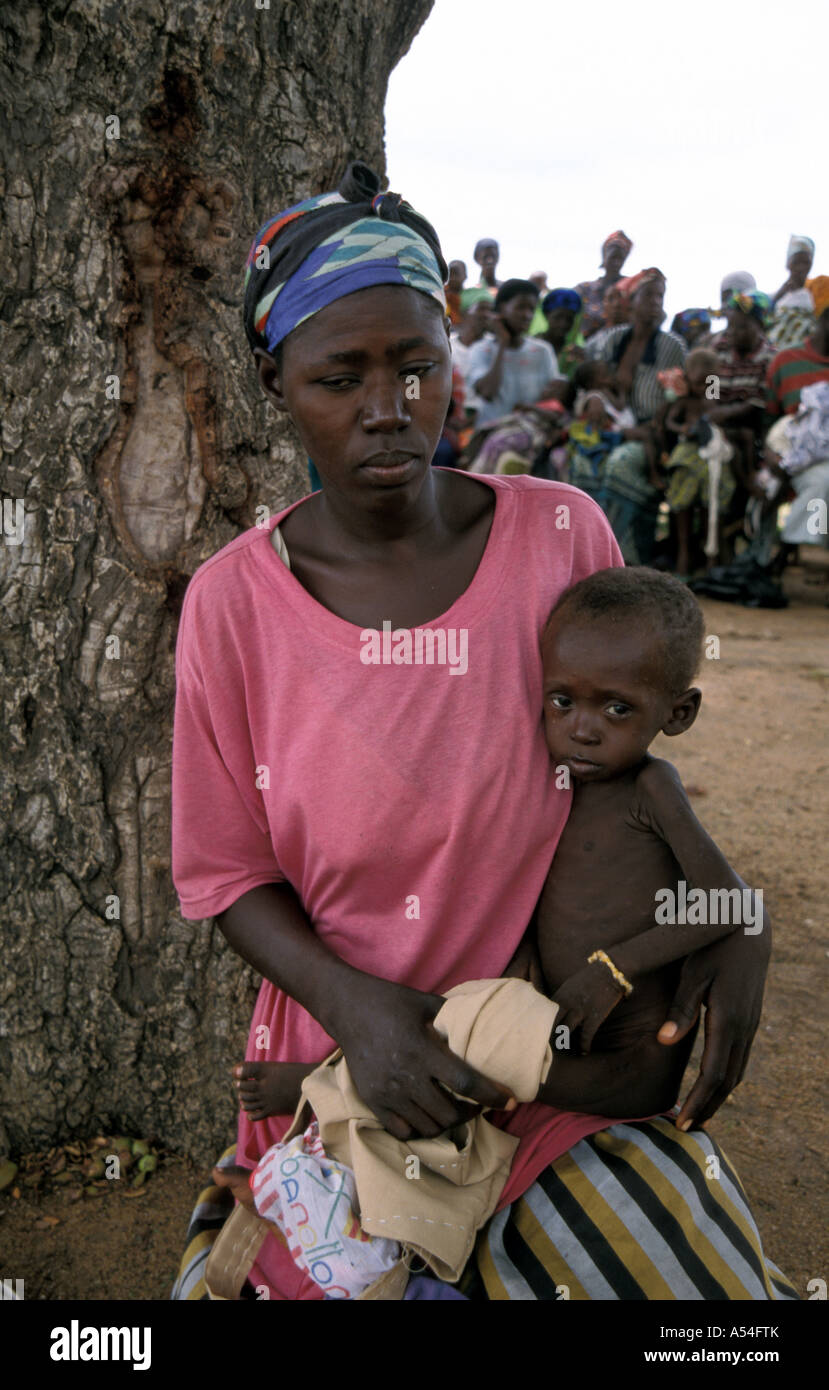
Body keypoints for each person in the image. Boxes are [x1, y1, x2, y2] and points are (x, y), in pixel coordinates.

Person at [170, 162, 776, 1302]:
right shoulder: (234, 606)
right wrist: (358, 1010)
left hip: (547, 1055)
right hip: (358, 1064)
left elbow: (624, 777)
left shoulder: (563, 541)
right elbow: (225, 873)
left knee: (699, 1299)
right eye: (339, 376)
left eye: (416, 364)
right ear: (273, 381)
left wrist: (728, 919)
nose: (388, 406)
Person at [225, 568, 796, 1302]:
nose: (582, 727)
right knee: (456, 1028)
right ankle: (345, 1110)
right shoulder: (559, 781)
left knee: (450, 1051)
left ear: (677, 713)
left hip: (624, 1067)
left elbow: (726, 902)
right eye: (562, 702)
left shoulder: (651, 788)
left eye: (617, 708)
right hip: (559, 1031)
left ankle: (319, 1091)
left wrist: (614, 970)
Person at [586, 269, 686, 563]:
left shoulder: (672, 346)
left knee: (620, 464)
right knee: (582, 463)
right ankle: (585, 546)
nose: (655, 302)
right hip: (611, 423)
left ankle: (621, 555)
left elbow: (687, 391)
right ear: (631, 301)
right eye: (649, 295)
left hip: (650, 433)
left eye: (660, 296)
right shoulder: (613, 340)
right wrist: (594, 398)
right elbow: (592, 380)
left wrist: (662, 422)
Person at [663, 349, 737, 576]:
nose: (703, 387)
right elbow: (670, 422)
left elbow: (715, 414)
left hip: (712, 450)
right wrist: (683, 428)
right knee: (683, 478)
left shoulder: (714, 398)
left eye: (708, 382)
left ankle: (710, 553)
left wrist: (709, 399)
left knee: (714, 489)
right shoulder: (684, 401)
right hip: (688, 450)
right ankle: (684, 553)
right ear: (687, 379)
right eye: (698, 383)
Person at [463, 278, 562, 425]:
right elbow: (487, 392)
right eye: (520, 307)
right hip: (491, 432)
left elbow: (552, 400)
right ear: (501, 308)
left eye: (531, 309)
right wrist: (503, 343)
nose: (527, 315)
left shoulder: (542, 351)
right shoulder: (481, 350)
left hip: (530, 431)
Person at [575, 230, 633, 339]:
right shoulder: (584, 289)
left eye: (620, 258)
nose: (616, 262)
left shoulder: (631, 288)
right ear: (604, 255)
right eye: (613, 257)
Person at [532, 287, 585, 378]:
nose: (563, 324)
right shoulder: (532, 345)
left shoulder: (574, 352)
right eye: (558, 317)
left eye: (569, 319)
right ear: (547, 316)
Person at [771, 235, 815, 306]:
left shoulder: (818, 292)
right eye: (796, 262)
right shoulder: (775, 297)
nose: (801, 267)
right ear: (788, 264)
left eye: (806, 263)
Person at [444, 258, 466, 325]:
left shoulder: (471, 297)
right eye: (450, 274)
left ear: (465, 275)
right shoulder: (443, 294)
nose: (452, 278)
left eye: (456, 274)